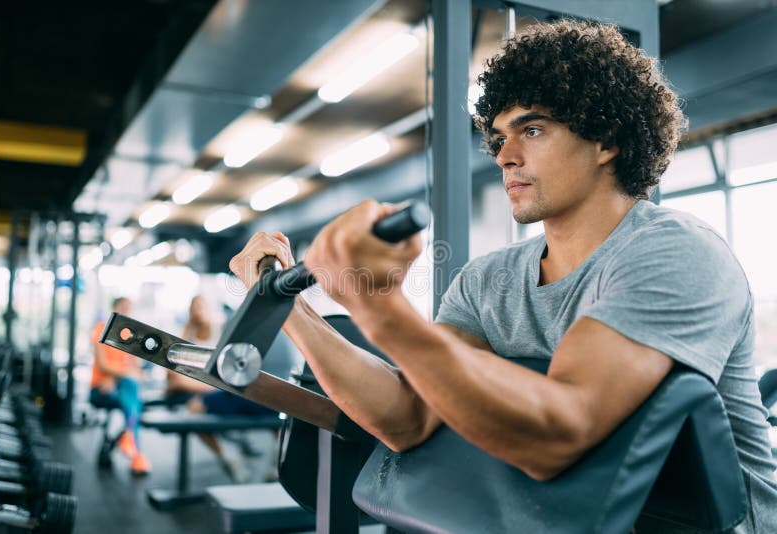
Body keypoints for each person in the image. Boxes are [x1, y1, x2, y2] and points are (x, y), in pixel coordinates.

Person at [229, 20, 776, 533]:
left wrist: (380, 307)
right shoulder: (487, 279)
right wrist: (284, 307)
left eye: (532, 129)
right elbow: (409, 418)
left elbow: (557, 437)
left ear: (606, 141)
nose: (505, 156)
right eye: (498, 137)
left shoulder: (674, 252)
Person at [166, 295, 274, 482]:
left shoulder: (222, 331)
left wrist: (191, 383)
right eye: (194, 307)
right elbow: (174, 377)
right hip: (208, 391)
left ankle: (276, 463)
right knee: (192, 413)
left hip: (223, 388)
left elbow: (228, 373)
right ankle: (228, 458)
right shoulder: (186, 334)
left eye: (201, 306)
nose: (197, 311)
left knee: (275, 408)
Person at [90, 297, 151, 475]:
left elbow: (136, 371)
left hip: (120, 387)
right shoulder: (101, 329)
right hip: (100, 389)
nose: (126, 312)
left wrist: (117, 378)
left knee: (130, 389)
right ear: (114, 308)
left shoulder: (130, 336)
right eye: (122, 307)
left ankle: (129, 438)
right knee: (133, 400)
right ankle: (135, 452)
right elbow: (103, 365)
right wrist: (121, 375)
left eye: (128, 308)